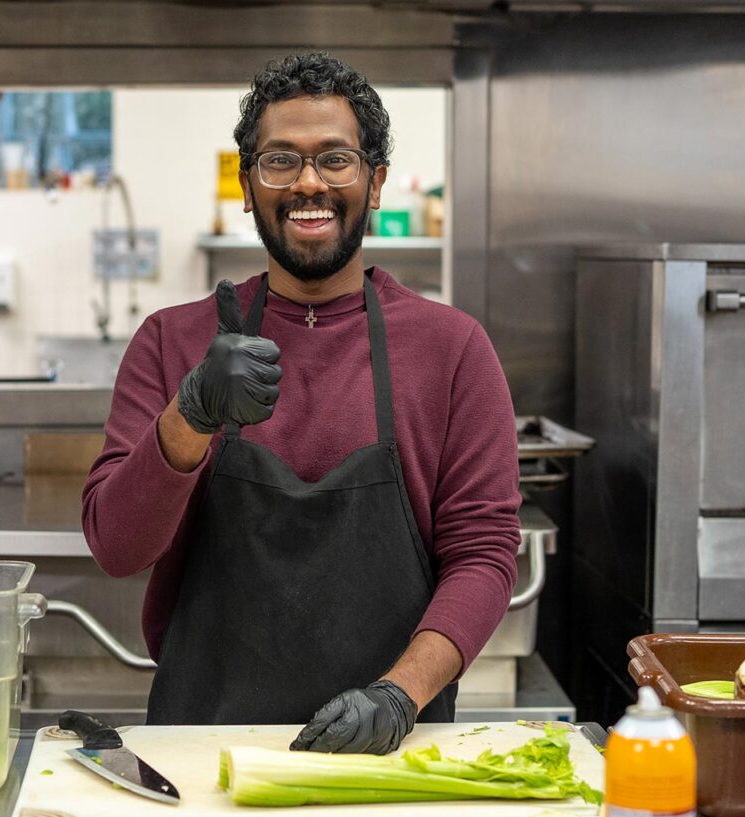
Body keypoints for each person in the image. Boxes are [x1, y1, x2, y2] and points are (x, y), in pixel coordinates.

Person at [81, 52, 521, 756]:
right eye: (280, 161)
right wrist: (189, 416)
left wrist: (399, 694)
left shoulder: (452, 349)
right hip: (201, 754)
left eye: (335, 160)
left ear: (374, 183)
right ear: (249, 187)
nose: (309, 182)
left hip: (395, 752)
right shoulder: (172, 340)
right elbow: (116, 547)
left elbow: (484, 554)